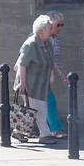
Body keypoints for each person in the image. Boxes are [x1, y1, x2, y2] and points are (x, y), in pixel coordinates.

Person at [15, 15, 58, 144]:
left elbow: (51, 61)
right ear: (41, 31)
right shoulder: (31, 44)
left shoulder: (47, 43)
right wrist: (22, 83)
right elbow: (22, 64)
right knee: (38, 110)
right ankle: (45, 135)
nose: (52, 31)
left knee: (34, 110)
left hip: (41, 84)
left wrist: (60, 74)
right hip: (30, 84)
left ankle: (18, 132)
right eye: (50, 29)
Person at [43, 11, 68, 138]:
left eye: (62, 25)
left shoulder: (53, 39)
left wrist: (60, 74)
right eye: (58, 25)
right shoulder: (41, 38)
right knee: (49, 101)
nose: (60, 28)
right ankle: (55, 129)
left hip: (44, 76)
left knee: (34, 105)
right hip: (37, 76)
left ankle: (22, 130)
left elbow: (53, 59)